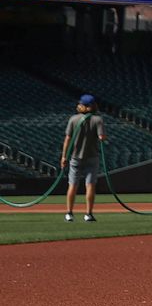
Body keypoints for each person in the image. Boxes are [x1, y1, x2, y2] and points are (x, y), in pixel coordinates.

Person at [59, 94, 107, 222]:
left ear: (87, 106)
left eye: (81, 104)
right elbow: (102, 137)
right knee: (90, 185)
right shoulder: (98, 120)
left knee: (72, 185)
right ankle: (88, 214)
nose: (78, 106)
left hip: (75, 157)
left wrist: (64, 157)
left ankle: (69, 213)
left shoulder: (73, 119)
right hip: (92, 156)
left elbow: (67, 139)